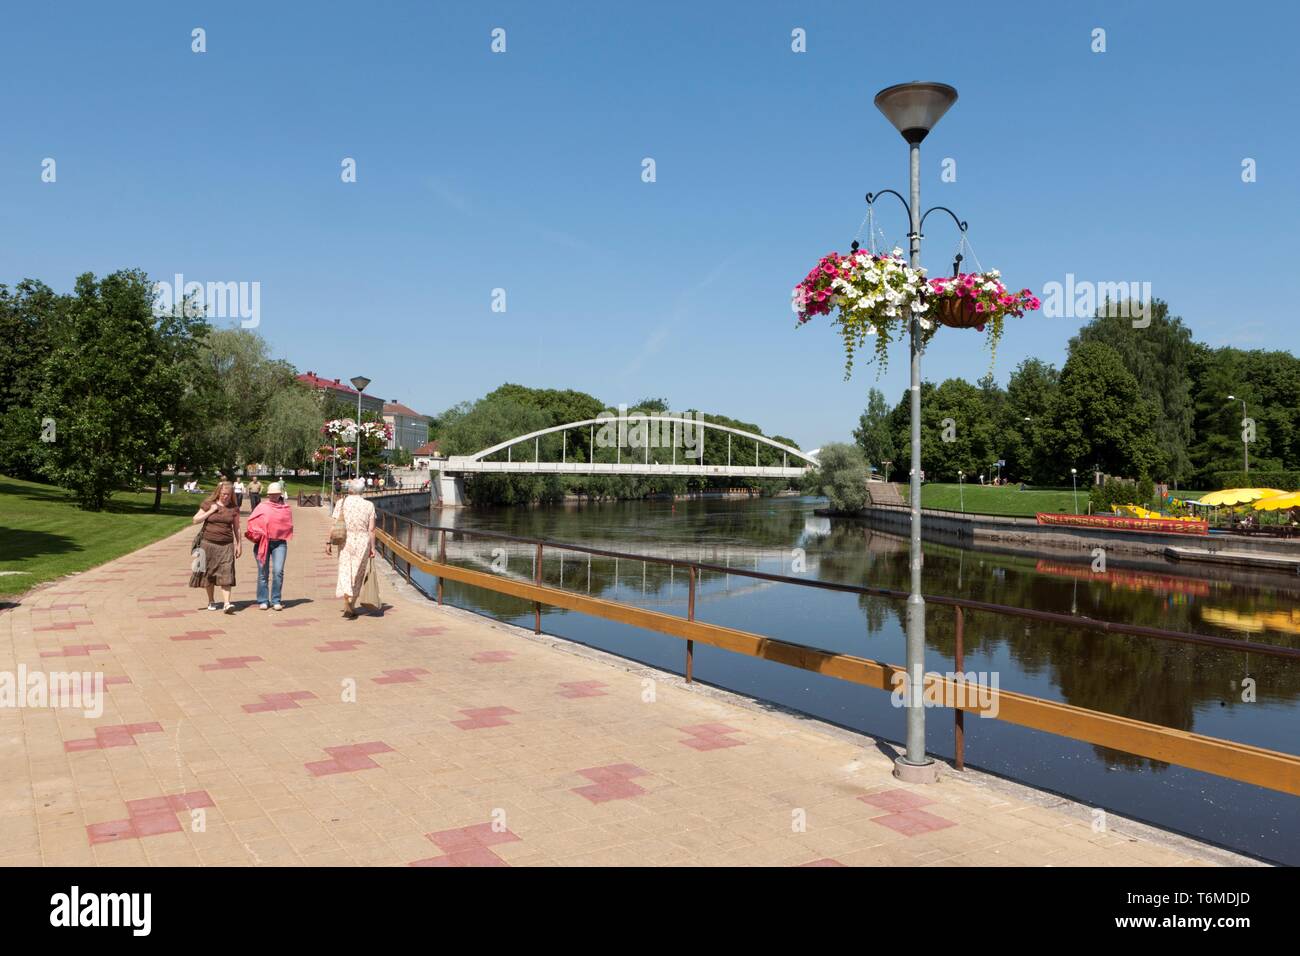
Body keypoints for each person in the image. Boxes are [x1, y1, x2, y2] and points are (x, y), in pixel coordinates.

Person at [326, 477, 376, 619]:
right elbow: (371, 529)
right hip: (362, 541)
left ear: (350, 490)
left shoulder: (342, 502)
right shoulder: (369, 505)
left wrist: (329, 542)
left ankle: (347, 597)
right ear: (362, 491)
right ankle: (352, 603)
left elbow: (334, 524)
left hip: (345, 540)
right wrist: (373, 548)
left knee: (345, 568)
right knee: (358, 572)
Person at [189, 480, 241, 613]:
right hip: (208, 544)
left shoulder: (234, 508)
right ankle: (211, 600)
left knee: (227, 572)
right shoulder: (208, 504)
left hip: (226, 545)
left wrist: (239, 544)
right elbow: (195, 520)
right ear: (218, 493)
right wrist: (210, 511)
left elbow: (237, 528)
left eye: (229, 495)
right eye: (224, 494)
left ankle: (227, 603)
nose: (226, 497)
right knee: (208, 574)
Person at [246, 481, 294, 611]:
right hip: (263, 542)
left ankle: (276, 600)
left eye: (275, 494)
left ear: (280, 494)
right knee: (263, 573)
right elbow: (251, 521)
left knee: (278, 571)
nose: (273, 496)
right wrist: (259, 530)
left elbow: (288, 525)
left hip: (280, 543)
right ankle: (263, 600)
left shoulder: (285, 508)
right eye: (271, 494)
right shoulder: (262, 506)